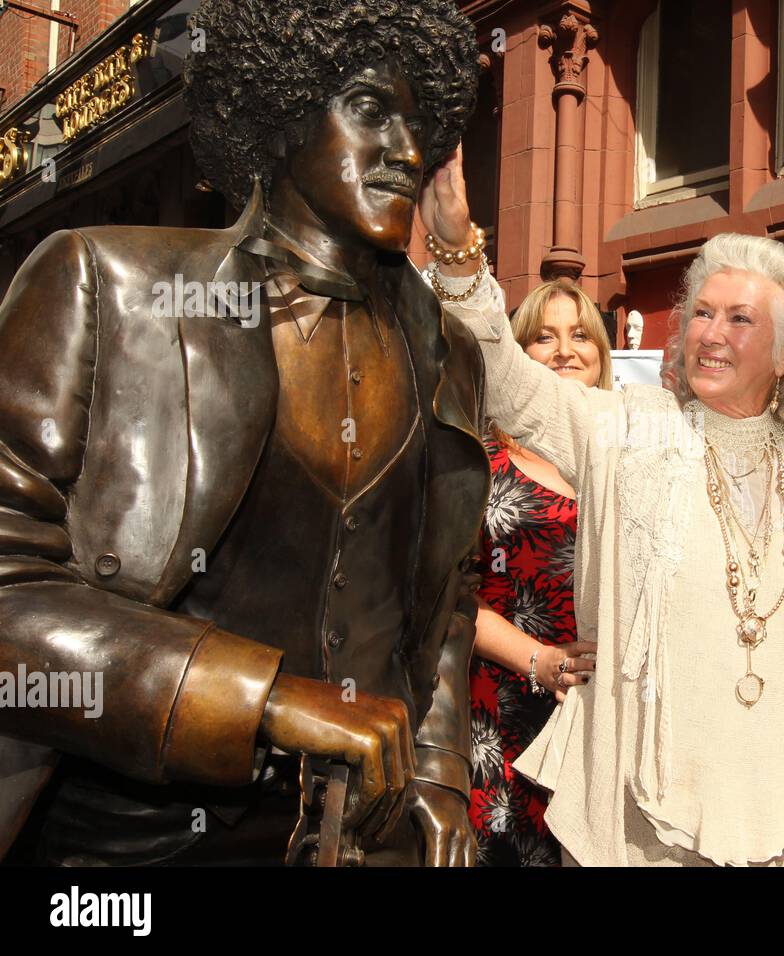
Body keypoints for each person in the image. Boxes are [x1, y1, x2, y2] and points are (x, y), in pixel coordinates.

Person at [0, 0, 485, 866]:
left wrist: (441, 770)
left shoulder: (450, 355)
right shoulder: (107, 286)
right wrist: (261, 699)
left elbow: (447, 598)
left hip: (363, 840)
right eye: (372, 111)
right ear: (281, 105)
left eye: (424, 125)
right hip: (128, 838)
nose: (409, 154)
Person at [418, 148, 784, 866]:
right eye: (702, 313)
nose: (709, 334)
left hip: (778, 823)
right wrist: (460, 254)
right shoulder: (628, 429)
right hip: (640, 819)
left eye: (739, 319)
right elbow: (506, 379)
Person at [468, 278, 610, 866]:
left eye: (581, 335)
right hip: (509, 712)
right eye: (543, 337)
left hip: (608, 718)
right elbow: (449, 598)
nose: (565, 350)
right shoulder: (480, 464)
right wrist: (537, 659)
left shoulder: (637, 460)